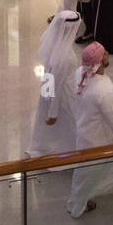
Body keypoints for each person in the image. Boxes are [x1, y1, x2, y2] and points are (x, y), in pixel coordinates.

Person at [66, 42, 113, 218]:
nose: (107, 54)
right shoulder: (104, 89)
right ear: (98, 63)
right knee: (86, 173)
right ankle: (76, 206)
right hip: (96, 139)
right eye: (104, 54)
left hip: (88, 128)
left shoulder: (80, 73)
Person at [26, 11, 84, 157]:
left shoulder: (54, 46)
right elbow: (57, 87)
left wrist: (45, 100)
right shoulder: (65, 57)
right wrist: (52, 112)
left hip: (49, 92)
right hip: (64, 97)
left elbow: (48, 78)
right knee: (68, 124)